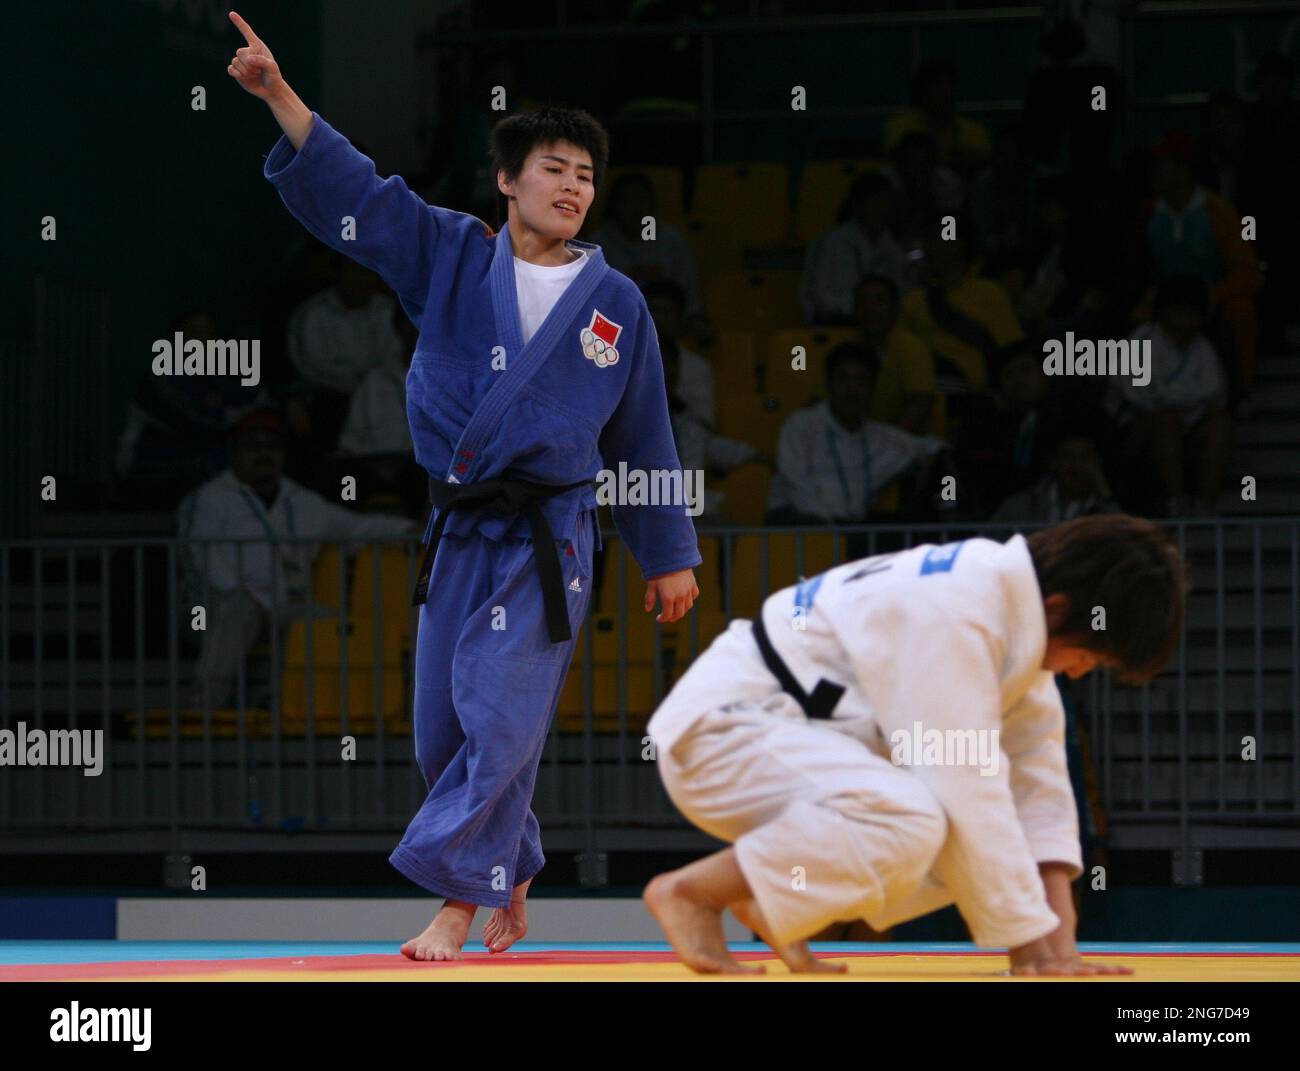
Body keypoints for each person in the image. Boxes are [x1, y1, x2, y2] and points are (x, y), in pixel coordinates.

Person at [228, 11, 701, 960]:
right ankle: (509, 863)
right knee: (442, 729)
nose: (574, 186)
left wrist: (669, 554)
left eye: (586, 175)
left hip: (550, 533)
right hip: (457, 530)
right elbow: (360, 196)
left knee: (499, 706)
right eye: (554, 168)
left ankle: (454, 902)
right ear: (506, 180)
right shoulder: (448, 254)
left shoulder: (616, 305)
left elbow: (646, 432)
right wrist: (280, 95)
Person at [643, 513, 1186, 975]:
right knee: (926, 821)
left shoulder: (1011, 626)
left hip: (791, 744)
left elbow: (1039, 796)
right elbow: (968, 792)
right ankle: (694, 893)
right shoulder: (960, 609)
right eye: (1088, 659)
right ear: (1060, 608)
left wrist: (1058, 950)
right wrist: (1029, 948)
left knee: (952, 840)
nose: (1078, 674)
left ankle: (773, 893)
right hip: (723, 733)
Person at [179, 408, 418, 708]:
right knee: (239, 610)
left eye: (273, 447)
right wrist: (250, 597)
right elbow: (203, 558)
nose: (264, 455)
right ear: (234, 452)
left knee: (326, 622)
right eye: (253, 447)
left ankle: (281, 707)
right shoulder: (211, 498)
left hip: (282, 603)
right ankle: (205, 705)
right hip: (217, 604)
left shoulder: (302, 501)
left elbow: (356, 526)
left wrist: (409, 528)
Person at [766, 343, 944, 525]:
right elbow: (795, 484)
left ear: (872, 388)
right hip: (800, 529)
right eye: (842, 380)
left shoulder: (882, 438)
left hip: (853, 530)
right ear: (829, 385)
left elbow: (935, 449)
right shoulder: (801, 425)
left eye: (860, 381)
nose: (851, 390)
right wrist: (833, 527)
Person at [1107, 274, 1231, 517]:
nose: (1190, 318)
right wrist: (1191, 398)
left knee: (1220, 423)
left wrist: (1174, 397)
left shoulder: (1202, 347)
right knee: (1165, 419)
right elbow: (1143, 397)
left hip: (1186, 431)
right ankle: (1176, 502)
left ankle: (1206, 505)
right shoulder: (1139, 342)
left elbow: (1215, 390)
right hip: (1136, 434)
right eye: (1184, 310)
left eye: (1195, 312)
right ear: (1167, 311)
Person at [800, 171, 907, 325]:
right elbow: (818, 298)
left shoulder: (893, 248)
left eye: (885, 201)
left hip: (880, 325)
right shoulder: (831, 241)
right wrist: (862, 310)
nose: (881, 208)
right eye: (874, 201)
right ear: (858, 205)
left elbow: (899, 293)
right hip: (832, 323)